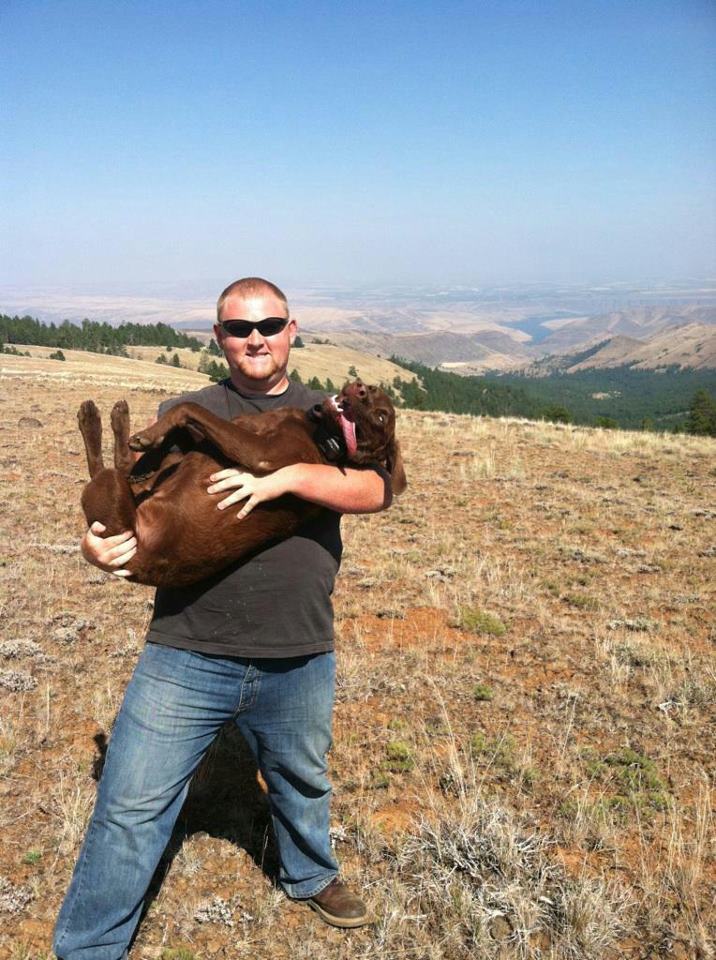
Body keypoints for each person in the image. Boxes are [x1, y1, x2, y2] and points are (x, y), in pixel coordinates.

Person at [53, 277, 391, 960]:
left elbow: (378, 489)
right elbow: (134, 490)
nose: (256, 339)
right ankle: (88, 947)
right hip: (187, 646)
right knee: (130, 807)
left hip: (297, 643)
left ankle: (310, 875)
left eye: (269, 325)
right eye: (240, 329)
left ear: (293, 329)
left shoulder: (329, 416)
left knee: (302, 780)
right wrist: (94, 542)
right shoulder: (189, 410)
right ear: (219, 339)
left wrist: (285, 478)